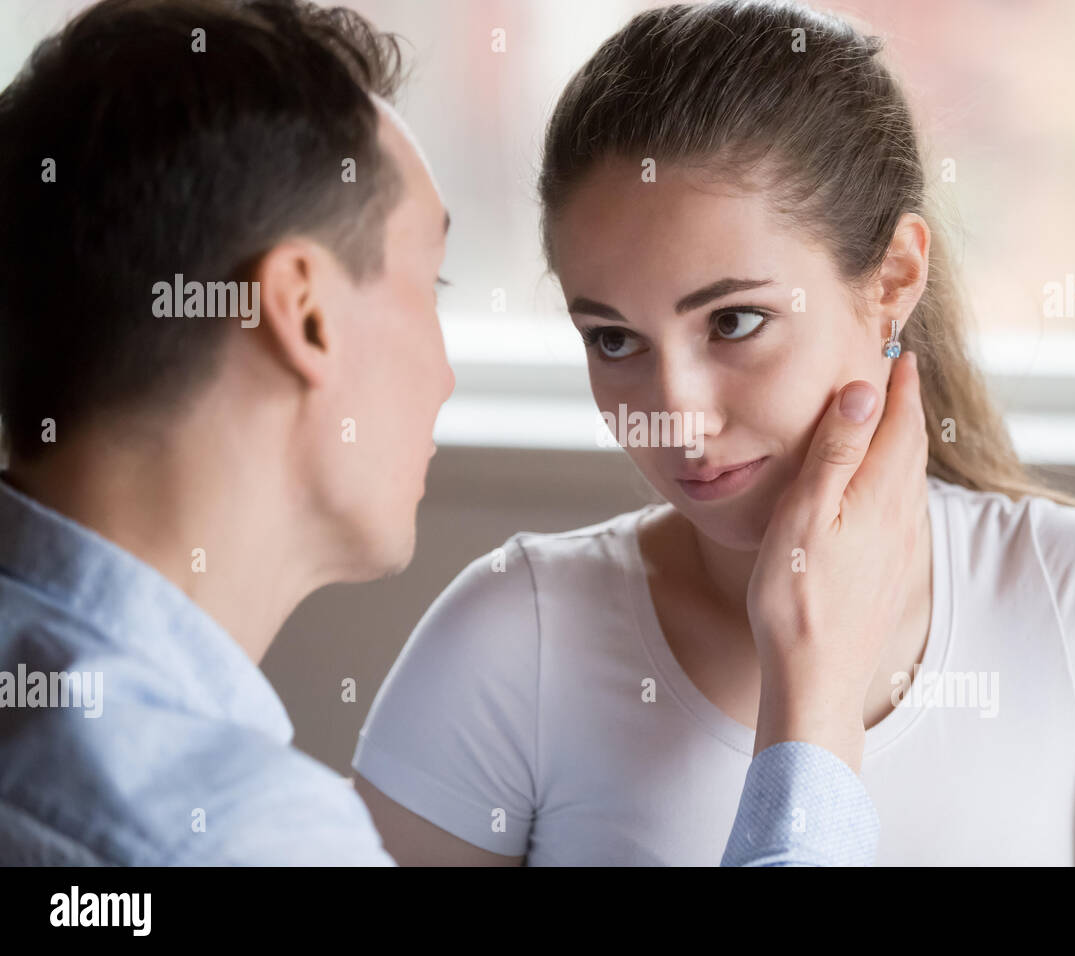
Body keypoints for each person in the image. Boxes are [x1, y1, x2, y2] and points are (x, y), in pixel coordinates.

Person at [352, 0, 1075, 865]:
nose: (675, 415)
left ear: (893, 281)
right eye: (615, 339)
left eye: (735, 322)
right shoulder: (513, 636)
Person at [0, 0, 902, 866]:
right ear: (304, 314)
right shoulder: (231, 838)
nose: (445, 376)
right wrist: (816, 711)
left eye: (735, 322)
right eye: (426, 288)